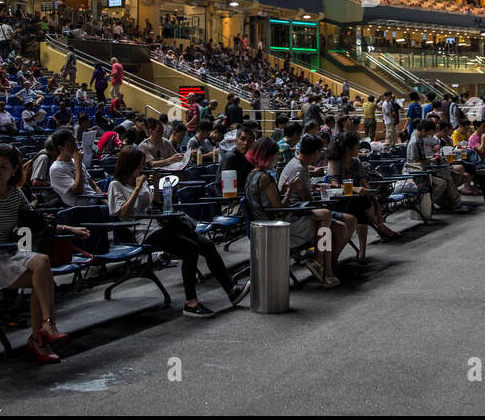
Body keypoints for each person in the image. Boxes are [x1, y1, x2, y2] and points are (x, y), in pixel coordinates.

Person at [0, 145, 89, 362]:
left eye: (3, 167)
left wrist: (69, 229)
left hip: (6, 254)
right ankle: (41, 336)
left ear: (13, 170)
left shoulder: (16, 194)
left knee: (42, 265)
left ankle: (45, 328)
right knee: (42, 276)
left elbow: (35, 224)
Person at [107, 146, 249, 317]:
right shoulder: (116, 186)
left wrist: (155, 187)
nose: (141, 169)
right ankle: (191, 302)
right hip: (143, 232)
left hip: (159, 223)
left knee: (207, 244)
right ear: (128, 166)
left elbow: (155, 205)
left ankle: (231, 290)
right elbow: (123, 213)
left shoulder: (141, 181)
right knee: (190, 249)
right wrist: (137, 189)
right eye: (138, 166)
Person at [246, 136, 348, 288]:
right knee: (326, 226)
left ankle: (322, 265)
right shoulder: (265, 178)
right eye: (275, 157)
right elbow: (279, 210)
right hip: (277, 226)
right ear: (267, 157)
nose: (276, 160)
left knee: (326, 220)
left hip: (264, 223)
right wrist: (290, 192)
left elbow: (270, 201)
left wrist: (283, 190)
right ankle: (323, 267)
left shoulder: (251, 176)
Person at [47, 128, 104, 207]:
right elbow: (78, 190)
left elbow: (92, 185)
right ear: (60, 148)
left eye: (75, 141)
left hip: (95, 200)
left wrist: (104, 199)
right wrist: (78, 163)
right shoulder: (56, 169)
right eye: (71, 142)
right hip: (81, 208)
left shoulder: (75, 161)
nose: (76, 145)